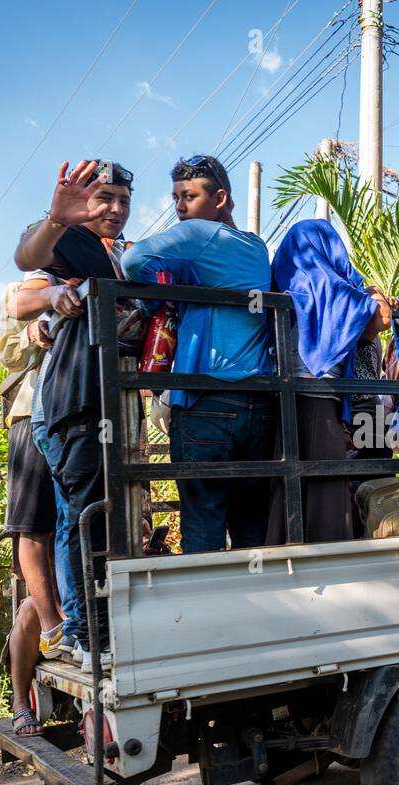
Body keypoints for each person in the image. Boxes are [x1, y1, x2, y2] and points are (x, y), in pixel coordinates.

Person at [13, 158, 135, 672]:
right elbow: (25, 272)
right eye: (104, 197)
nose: (115, 209)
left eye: (124, 200)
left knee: (76, 514)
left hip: (95, 401)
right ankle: (86, 635)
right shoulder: (71, 243)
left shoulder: (113, 258)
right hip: (69, 400)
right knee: (79, 517)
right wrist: (59, 220)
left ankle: (85, 632)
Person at [120, 155, 275, 553]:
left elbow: (133, 259)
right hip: (258, 405)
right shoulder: (255, 247)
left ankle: (204, 611)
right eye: (175, 198)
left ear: (220, 197)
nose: (179, 208)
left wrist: (156, 298)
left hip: (206, 403)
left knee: (203, 523)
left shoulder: (199, 235)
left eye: (189, 196)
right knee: (249, 522)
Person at [266, 219, 399, 542]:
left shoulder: (290, 279)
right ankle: (326, 557)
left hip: (288, 394)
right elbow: (379, 318)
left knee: (292, 483)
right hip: (317, 393)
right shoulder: (326, 284)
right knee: (326, 484)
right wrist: (374, 292)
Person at [0, 281, 65, 736]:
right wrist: (35, 331)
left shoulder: (110, 270)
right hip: (35, 417)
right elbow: (7, 351)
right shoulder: (35, 288)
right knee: (29, 611)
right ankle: (22, 703)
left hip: (86, 419)